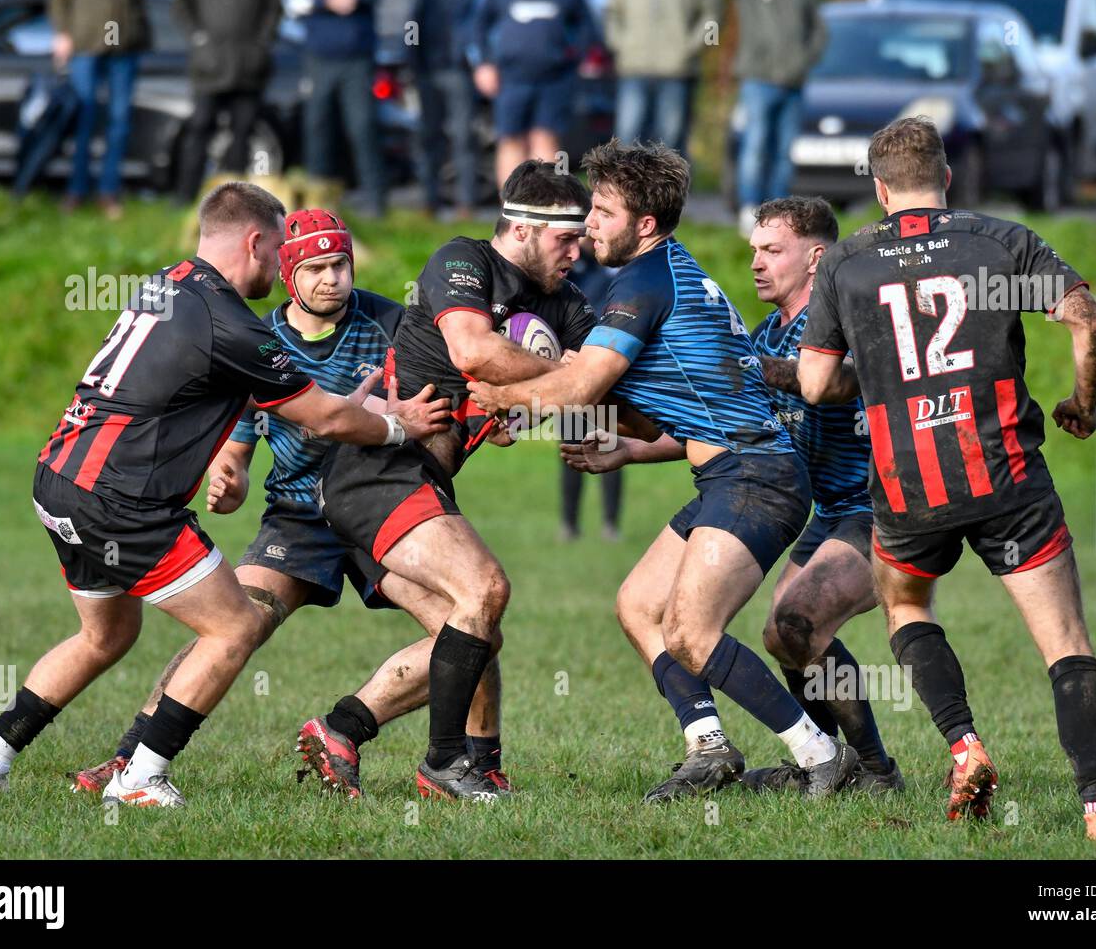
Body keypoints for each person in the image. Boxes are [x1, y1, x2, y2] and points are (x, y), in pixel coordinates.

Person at [0, 183, 449, 807]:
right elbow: (328, 418)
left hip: (58, 479)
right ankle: (140, 779)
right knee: (233, 625)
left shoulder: (165, 283)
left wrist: (228, 462)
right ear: (257, 243)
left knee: (105, 635)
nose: (284, 267)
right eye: (282, 252)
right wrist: (401, 425)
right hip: (121, 500)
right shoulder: (235, 326)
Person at [469, 140, 859, 803]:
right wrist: (615, 440)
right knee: (638, 607)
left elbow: (581, 388)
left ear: (644, 225)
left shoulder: (646, 285)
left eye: (603, 212)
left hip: (756, 477)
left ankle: (824, 755)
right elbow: (653, 408)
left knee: (691, 631)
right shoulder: (670, 275)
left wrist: (498, 396)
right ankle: (708, 746)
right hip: (731, 475)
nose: (588, 224)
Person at [64, 208, 499, 798]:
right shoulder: (255, 342)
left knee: (472, 627)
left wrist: (489, 410)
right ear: (289, 273)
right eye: (315, 267)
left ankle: (445, 754)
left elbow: (453, 382)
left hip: (382, 507)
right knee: (232, 624)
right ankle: (130, 757)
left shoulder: (392, 322)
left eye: (340, 264)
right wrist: (229, 481)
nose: (331, 279)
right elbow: (235, 454)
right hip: (297, 516)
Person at [796, 116, 1096, 838]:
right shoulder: (1000, 239)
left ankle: (965, 746)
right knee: (1066, 642)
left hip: (907, 487)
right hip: (1008, 477)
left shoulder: (847, 261)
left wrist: (884, 381)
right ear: (948, 177)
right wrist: (1082, 405)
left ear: (881, 187)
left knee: (906, 609)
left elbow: (814, 382)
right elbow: (1091, 323)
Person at [306, 160, 653, 800]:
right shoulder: (462, 261)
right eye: (565, 240)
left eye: (583, 239)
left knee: (472, 632)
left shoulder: (569, 302)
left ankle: (348, 732)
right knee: (486, 587)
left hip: (422, 479)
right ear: (521, 229)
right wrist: (566, 378)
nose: (579, 254)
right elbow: (473, 351)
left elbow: (624, 403)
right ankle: (444, 764)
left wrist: (587, 395)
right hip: (376, 471)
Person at [468, 0, 602, 187]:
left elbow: (587, 28)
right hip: (510, 79)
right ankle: (510, 207)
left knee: (545, 139)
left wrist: (578, 57)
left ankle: (543, 206)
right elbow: (478, 26)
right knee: (510, 140)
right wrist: (483, 64)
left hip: (555, 79)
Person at [172, 0, 283, 203]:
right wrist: (198, 38)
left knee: (242, 133)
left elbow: (274, 9)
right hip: (209, 67)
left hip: (248, 68)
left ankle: (234, 202)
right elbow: (181, 6)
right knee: (200, 127)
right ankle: (185, 196)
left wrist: (261, 42)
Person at [48, 0, 149, 218]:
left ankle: (108, 192)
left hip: (124, 44)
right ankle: (77, 189)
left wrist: (140, 35)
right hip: (86, 40)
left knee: (119, 122)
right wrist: (62, 32)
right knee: (84, 118)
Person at [732, 0, 826, 237]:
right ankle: (749, 207)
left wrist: (802, 62)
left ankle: (779, 213)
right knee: (755, 146)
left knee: (784, 151)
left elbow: (820, 34)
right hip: (757, 81)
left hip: (793, 85)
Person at [296, 0, 388, 217]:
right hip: (319, 57)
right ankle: (316, 205)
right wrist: (326, 1)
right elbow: (295, 2)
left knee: (362, 127)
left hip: (358, 58)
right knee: (317, 127)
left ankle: (375, 201)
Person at [559, 238, 621, 541]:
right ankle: (569, 524)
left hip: (605, 372)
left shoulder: (613, 263)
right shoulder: (569, 266)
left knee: (608, 446)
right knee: (572, 448)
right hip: (571, 370)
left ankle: (610, 523)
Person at [605, 0, 718, 157]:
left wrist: (692, 48)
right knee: (625, 139)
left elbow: (712, 15)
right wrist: (619, 44)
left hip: (677, 71)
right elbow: (611, 13)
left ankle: (669, 183)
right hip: (633, 68)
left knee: (671, 143)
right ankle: (623, 183)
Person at [411, 0, 480, 217]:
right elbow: (412, 26)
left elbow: (479, 27)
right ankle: (430, 202)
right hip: (428, 72)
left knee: (464, 137)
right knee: (430, 137)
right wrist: (413, 66)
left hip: (460, 72)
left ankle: (466, 204)